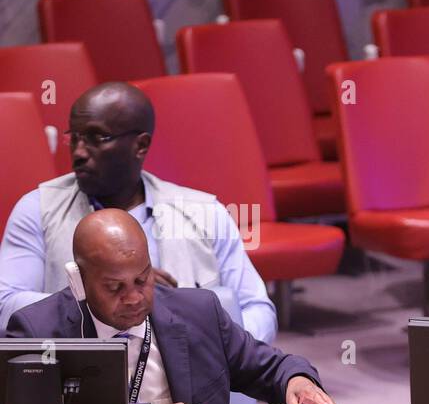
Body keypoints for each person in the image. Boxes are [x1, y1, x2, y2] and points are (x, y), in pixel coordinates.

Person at [6, 209, 336, 404]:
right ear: (78, 280)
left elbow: (267, 367)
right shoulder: (39, 330)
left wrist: (296, 380)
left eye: (142, 279)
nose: (134, 297)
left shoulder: (199, 312)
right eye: (114, 287)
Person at [0, 82, 277, 341]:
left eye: (98, 137)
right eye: (75, 137)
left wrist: (207, 342)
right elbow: (4, 305)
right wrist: (94, 297)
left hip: (188, 379)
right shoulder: (38, 208)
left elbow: (257, 309)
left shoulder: (204, 212)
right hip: (83, 377)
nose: (79, 152)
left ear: (141, 145)